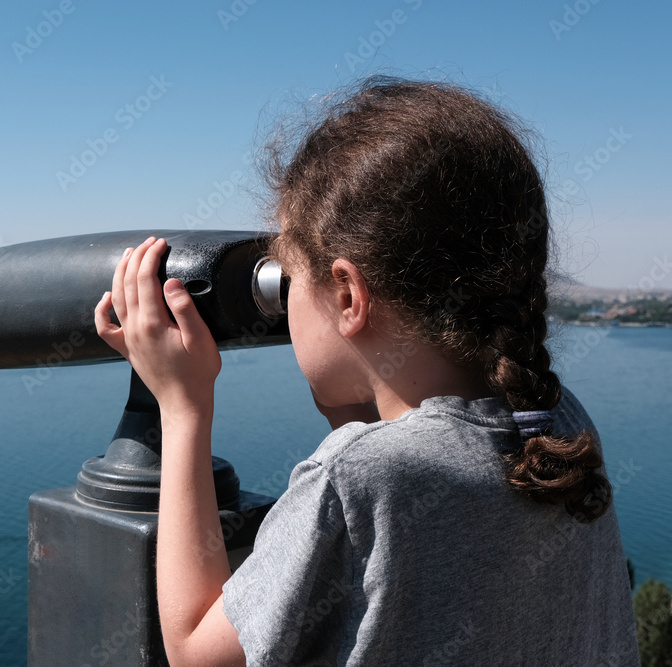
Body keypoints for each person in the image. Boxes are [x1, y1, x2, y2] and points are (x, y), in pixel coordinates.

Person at [94, 77, 639, 666]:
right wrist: (352, 410)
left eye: (289, 280)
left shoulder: (356, 479)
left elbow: (197, 652)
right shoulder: (555, 422)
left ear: (349, 296)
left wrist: (181, 407)